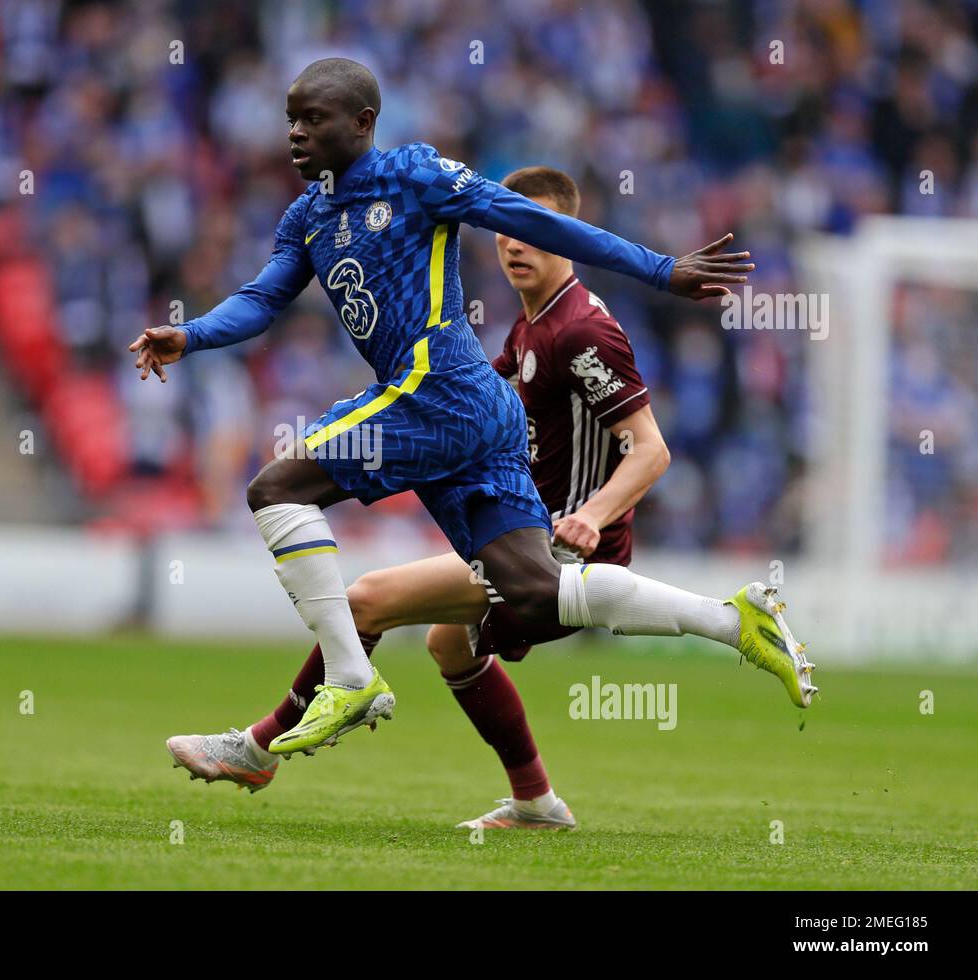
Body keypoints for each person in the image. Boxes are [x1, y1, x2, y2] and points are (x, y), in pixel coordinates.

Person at [130, 58, 813, 763]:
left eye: (314, 120)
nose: (297, 135)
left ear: (363, 123)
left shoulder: (415, 176)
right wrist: (195, 334)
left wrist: (660, 268)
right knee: (534, 590)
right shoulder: (307, 216)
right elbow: (264, 299)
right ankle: (733, 622)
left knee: (275, 488)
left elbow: (527, 218)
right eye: (290, 121)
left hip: (435, 389)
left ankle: (351, 677)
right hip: (478, 411)